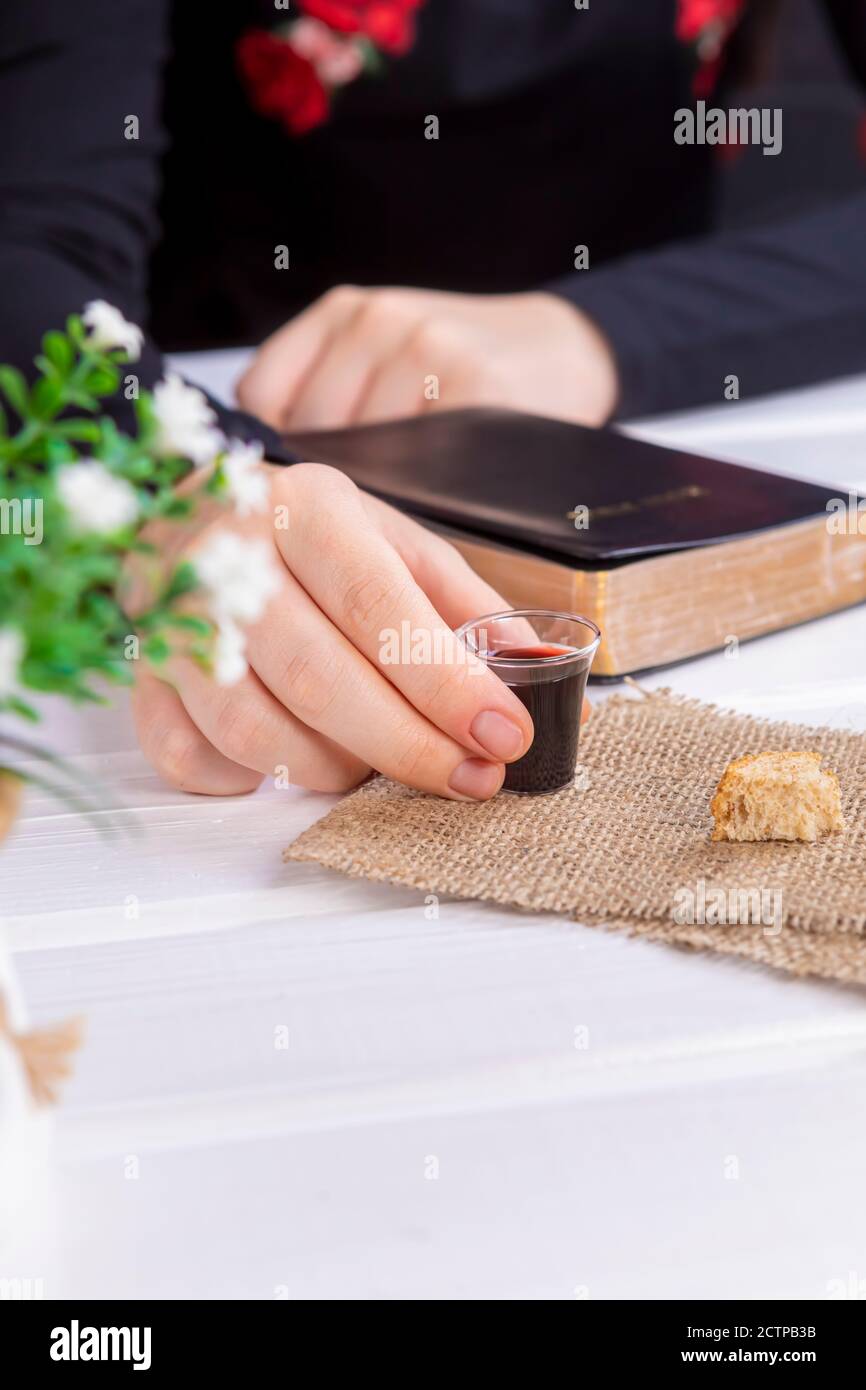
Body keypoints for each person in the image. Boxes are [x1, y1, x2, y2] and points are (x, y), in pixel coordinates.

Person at [2, 0, 865, 799]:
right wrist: (182, 476)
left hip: (675, 420)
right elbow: (25, 241)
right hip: (243, 413)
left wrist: (599, 332)